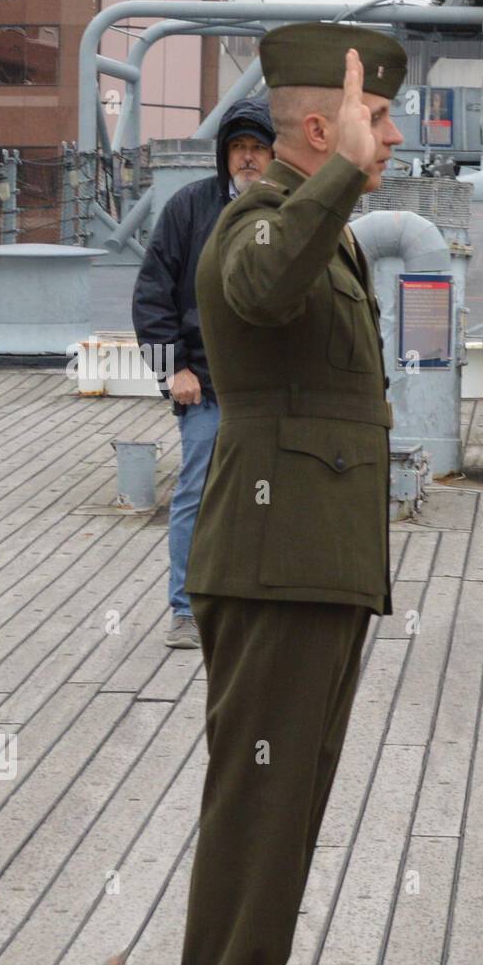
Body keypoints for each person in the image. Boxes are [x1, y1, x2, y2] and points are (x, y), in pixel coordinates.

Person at [177, 22, 405, 965]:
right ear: (322, 126)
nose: (393, 137)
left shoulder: (326, 228)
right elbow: (263, 288)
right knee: (257, 799)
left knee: (290, 801)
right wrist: (345, 180)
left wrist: (344, 190)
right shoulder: (252, 224)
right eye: (377, 117)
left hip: (314, 559)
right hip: (274, 560)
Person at [131, 94, 275, 649]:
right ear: (224, 155)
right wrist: (173, 373)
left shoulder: (291, 210)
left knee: (270, 495)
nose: (246, 158)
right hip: (207, 387)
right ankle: (186, 610)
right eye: (237, 147)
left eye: (257, 147)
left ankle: (257, 602)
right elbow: (151, 296)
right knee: (196, 494)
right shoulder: (190, 208)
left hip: (270, 391)